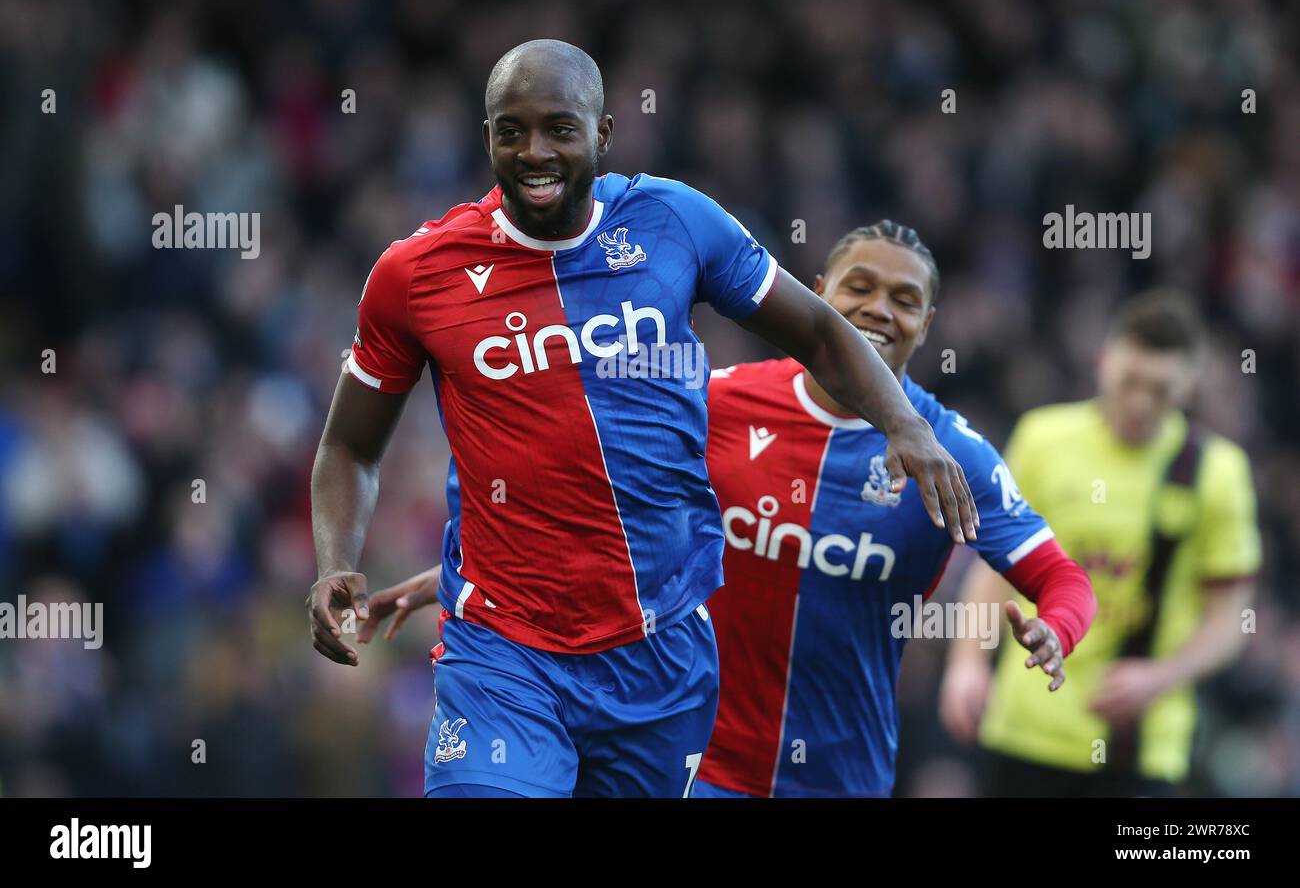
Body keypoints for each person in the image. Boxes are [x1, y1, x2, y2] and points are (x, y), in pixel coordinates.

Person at [307, 40, 978, 798]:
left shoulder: (675, 223)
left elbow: (822, 331)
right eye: (510, 130)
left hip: (661, 654)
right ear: (486, 135)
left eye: (560, 128)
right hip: (503, 650)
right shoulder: (417, 274)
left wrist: (907, 426)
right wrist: (336, 559)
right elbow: (350, 447)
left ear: (603, 134)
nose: (535, 151)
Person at [366, 222, 1096, 798]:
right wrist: (450, 576)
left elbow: (1063, 577)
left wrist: (1056, 630)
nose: (878, 309)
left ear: (928, 322)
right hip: (696, 761)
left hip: (842, 776)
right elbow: (594, 506)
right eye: (859, 287)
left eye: (904, 300)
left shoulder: (949, 452)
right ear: (819, 293)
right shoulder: (719, 401)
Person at [940, 290, 1261, 796]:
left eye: (1160, 389)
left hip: (1141, 745)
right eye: (1130, 381)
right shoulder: (1043, 437)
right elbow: (993, 568)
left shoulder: (1218, 474)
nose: (1140, 401)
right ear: (1103, 360)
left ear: (1190, 385)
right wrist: (967, 663)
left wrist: (1162, 676)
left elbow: (1232, 618)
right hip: (1028, 732)